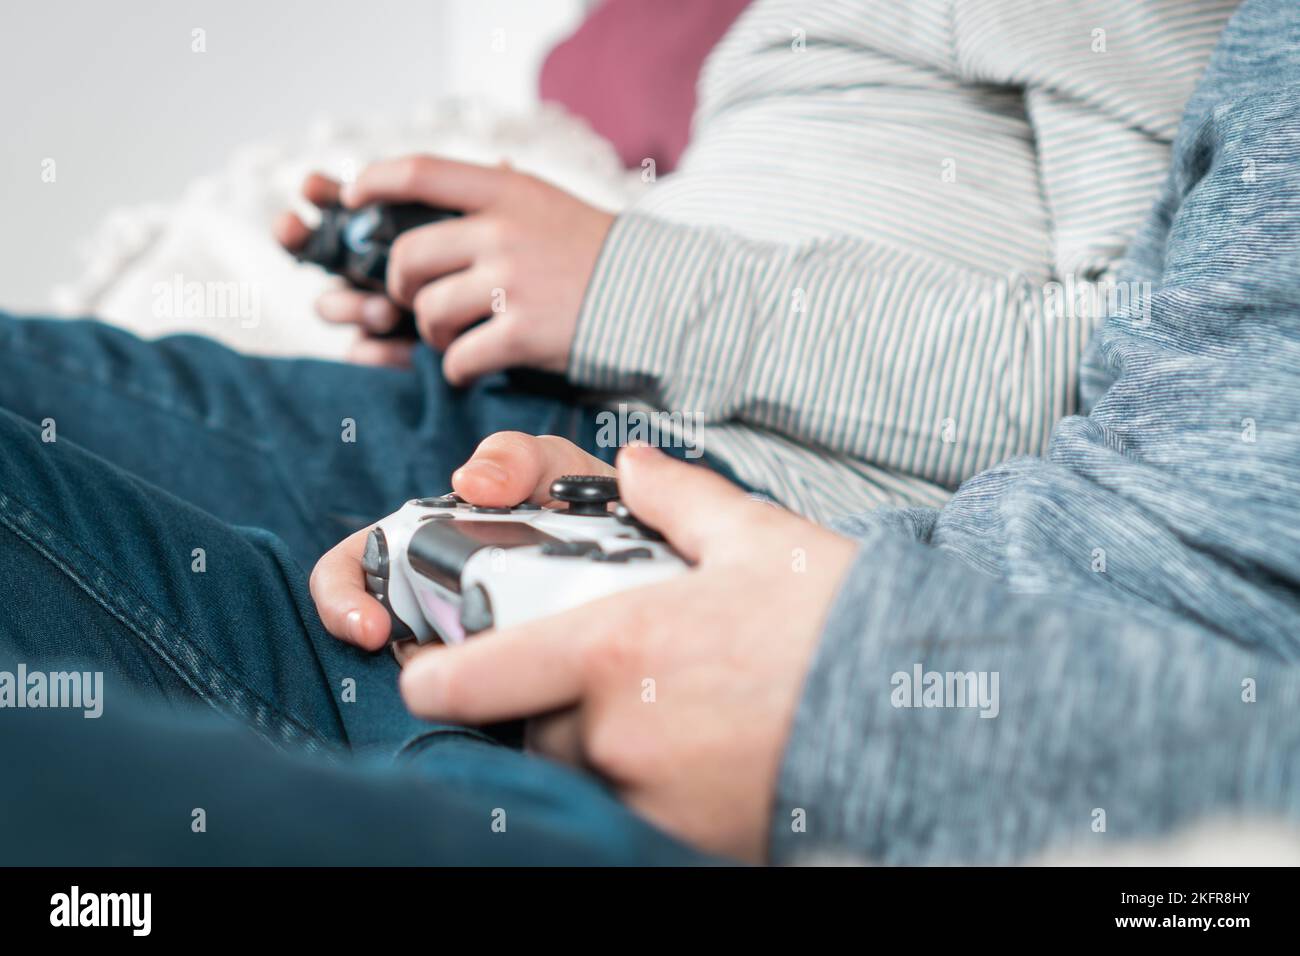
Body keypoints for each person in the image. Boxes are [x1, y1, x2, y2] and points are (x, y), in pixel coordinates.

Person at [3, 0, 1295, 864]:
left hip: (755, 515)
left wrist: (626, 284)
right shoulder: (772, 32)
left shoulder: (1137, 32)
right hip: (553, 447)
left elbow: (1096, 377)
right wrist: (496, 299)